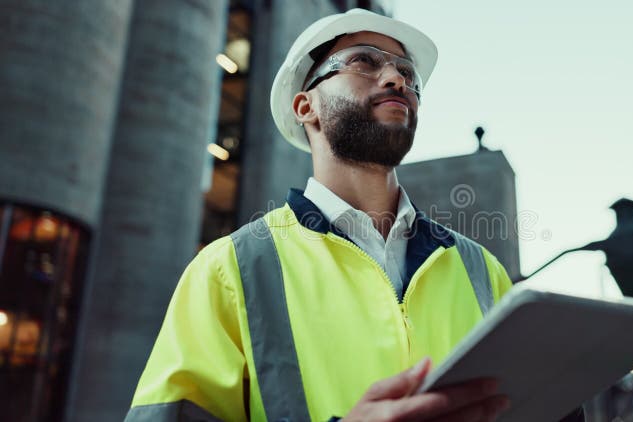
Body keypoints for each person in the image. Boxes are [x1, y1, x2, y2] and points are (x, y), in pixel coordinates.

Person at [125, 8, 583, 422]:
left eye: (407, 73)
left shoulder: (483, 271)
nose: (397, 79)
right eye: (365, 61)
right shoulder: (228, 270)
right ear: (307, 107)